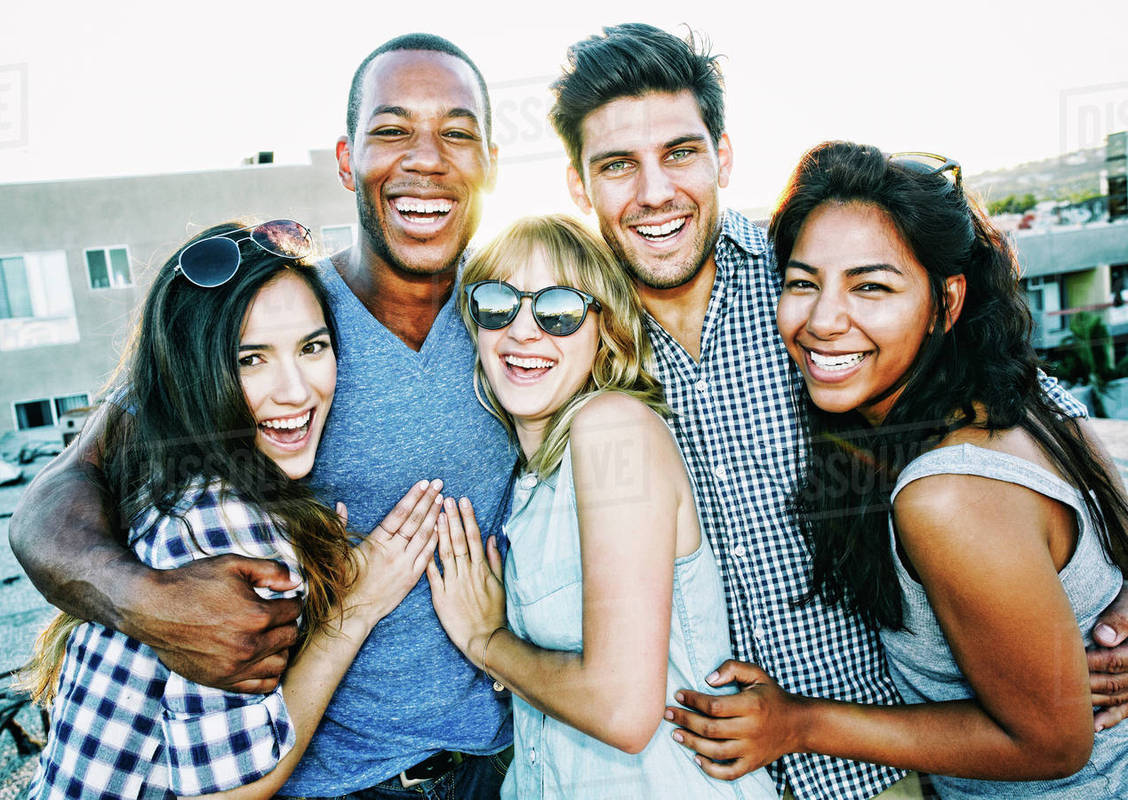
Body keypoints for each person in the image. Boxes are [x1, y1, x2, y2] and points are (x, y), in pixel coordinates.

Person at [547, 23, 1128, 800]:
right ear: (581, 186)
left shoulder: (814, 281)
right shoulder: (577, 338)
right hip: (717, 779)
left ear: (722, 155)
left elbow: (1031, 405)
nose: (654, 192)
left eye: (680, 152)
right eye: (617, 165)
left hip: (896, 765)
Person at [10, 34, 517, 799]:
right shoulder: (277, 317)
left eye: (457, 132)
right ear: (346, 160)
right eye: (392, 130)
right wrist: (145, 600)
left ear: (491, 164)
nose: (426, 158)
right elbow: (63, 488)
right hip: (324, 782)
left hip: (497, 764)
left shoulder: (520, 323)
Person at [664, 140, 1128, 799]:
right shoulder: (1022, 396)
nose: (824, 321)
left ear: (946, 302)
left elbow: (1054, 742)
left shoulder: (947, 496)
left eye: (872, 287)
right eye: (802, 282)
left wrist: (800, 723)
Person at [20, 221, 442, 798]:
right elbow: (237, 792)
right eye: (251, 359)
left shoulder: (164, 475)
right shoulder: (224, 524)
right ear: (196, 371)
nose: (294, 390)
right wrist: (357, 608)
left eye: (311, 347)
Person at [425, 214, 778, 800]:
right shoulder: (530, 482)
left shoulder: (613, 430)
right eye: (497, 303)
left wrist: (487, 641)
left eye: (558, 310)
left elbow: (622, 710)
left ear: (605, 330)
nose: (523, 330)